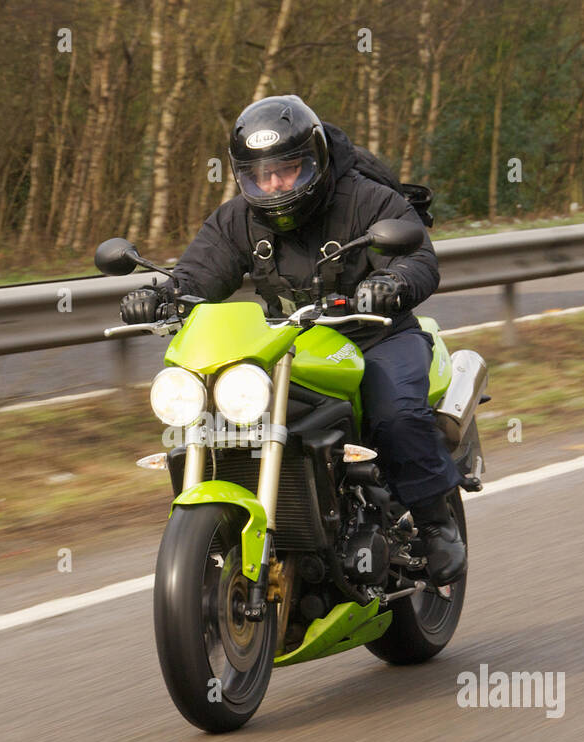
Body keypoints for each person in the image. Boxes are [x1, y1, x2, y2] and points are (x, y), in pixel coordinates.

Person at [120, 94, 465, 585]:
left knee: (393, 412)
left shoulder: (366, 200)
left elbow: (417, 258)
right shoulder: (238, 219)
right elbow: (199, 271)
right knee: (224, 408)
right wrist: (166, 294)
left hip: (376, 336)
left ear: (317, 163)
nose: (275, 184)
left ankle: (435, 523)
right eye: (261, 175)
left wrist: (393, 282)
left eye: (288, 170)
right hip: (291, 343)